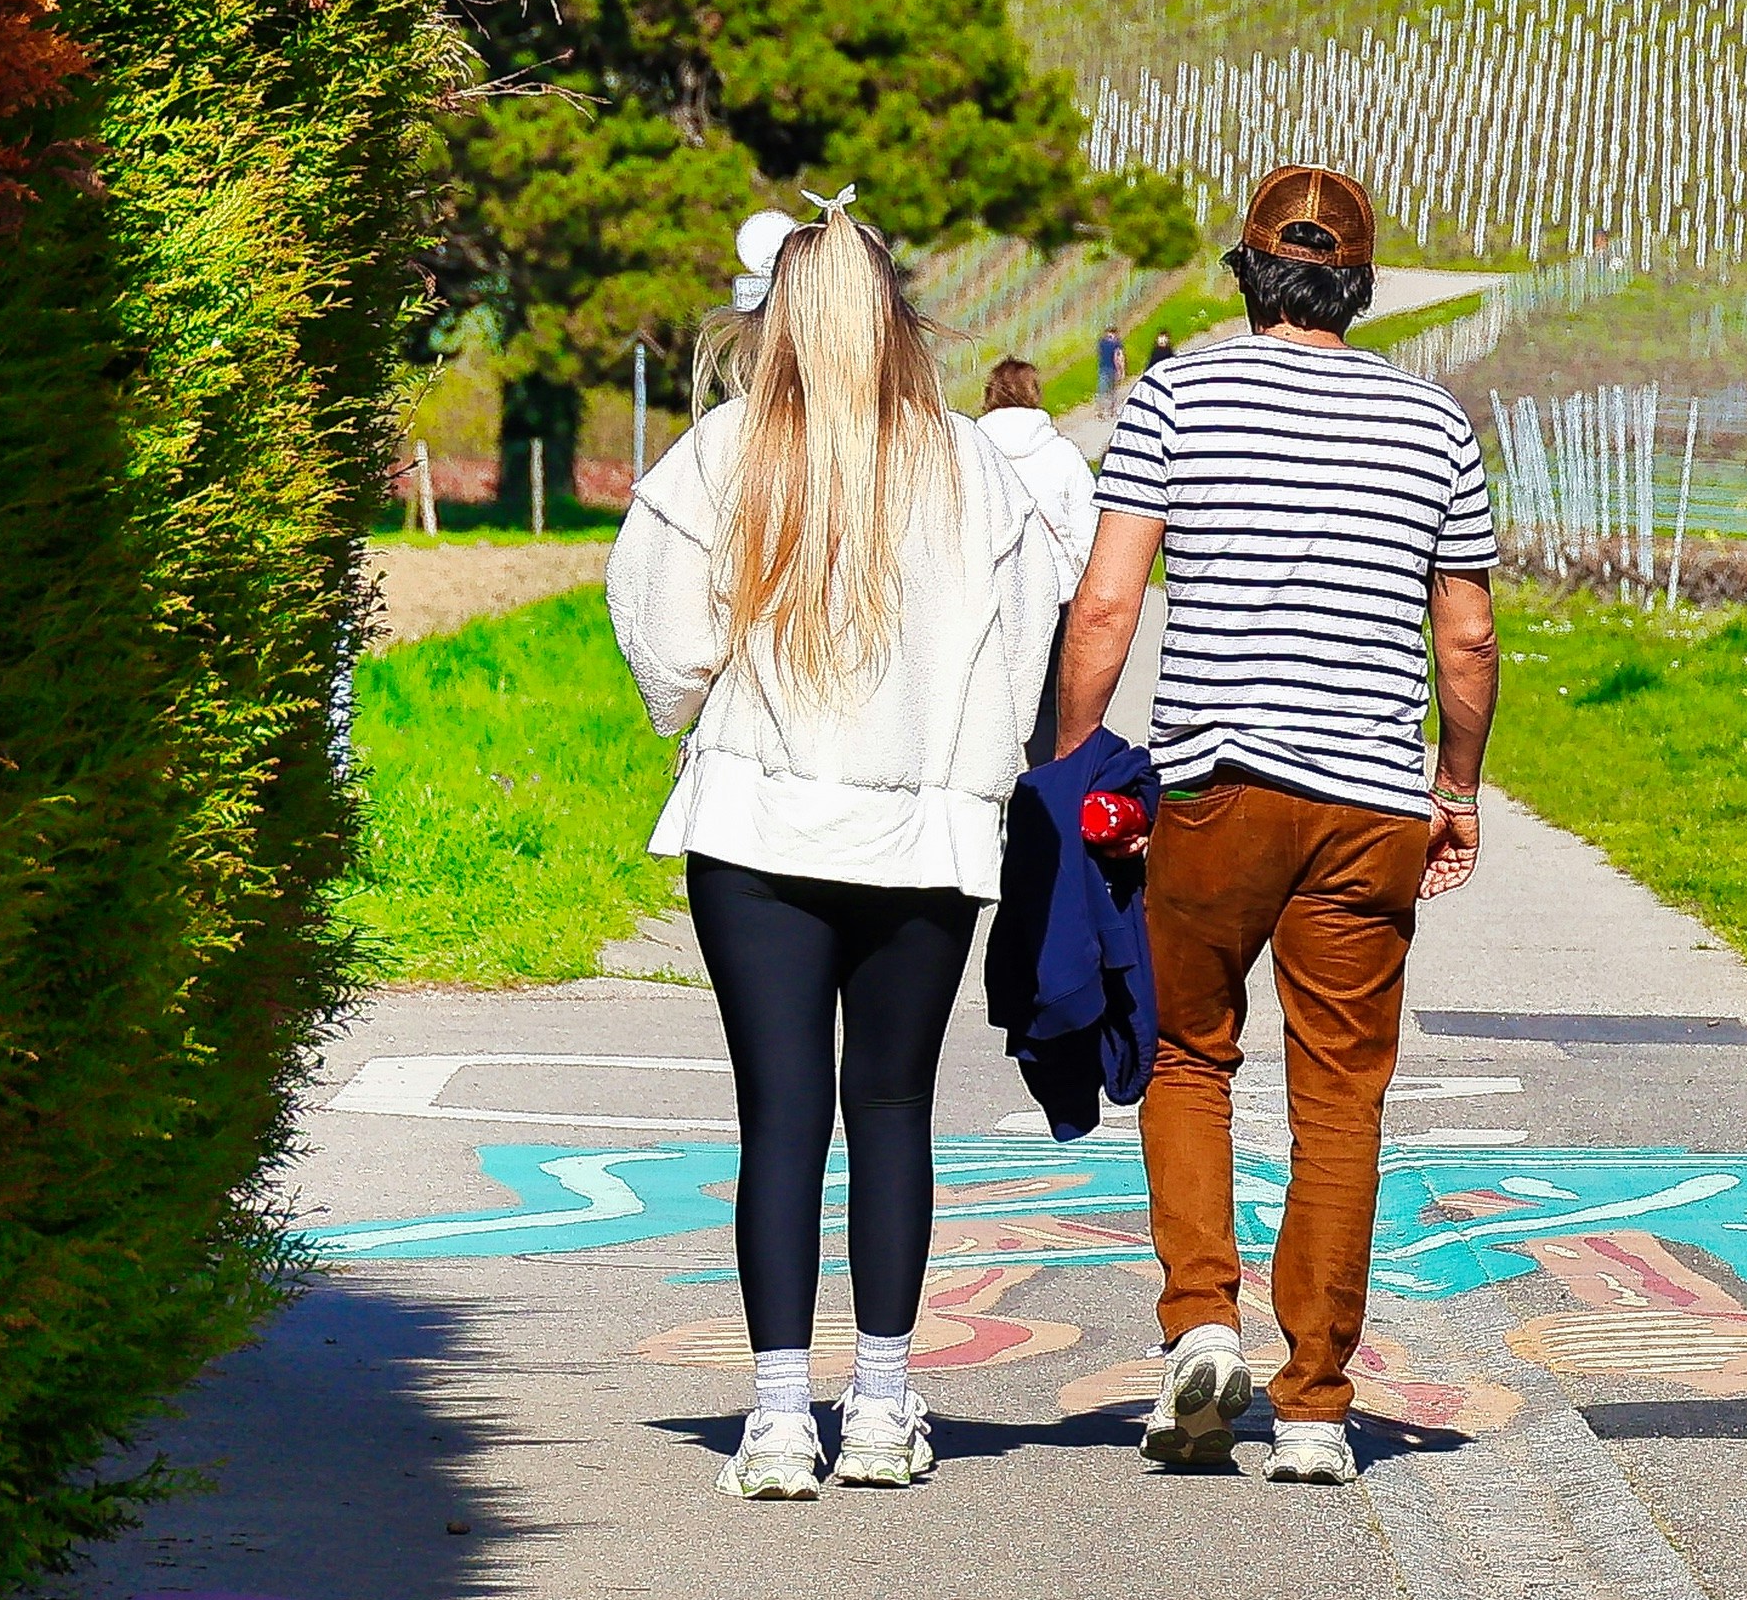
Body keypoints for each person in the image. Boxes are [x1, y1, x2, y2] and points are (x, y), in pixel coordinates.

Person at [610, 204, 1087, 1501]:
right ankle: (879, 1402)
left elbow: (665, 641)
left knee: (779, 1120)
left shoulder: (724, 458)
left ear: (772, 323)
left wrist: (702, 712)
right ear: (901, 324)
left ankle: (775, 1418)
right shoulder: (969, 469)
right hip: (921, 837)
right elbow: (1025, 638)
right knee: (891, 1113)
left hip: (757, 825)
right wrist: (973, 780)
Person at [1045, 164, 1497, 1490]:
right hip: (1366, 808)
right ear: (1358, 286)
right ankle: (1313, 1409)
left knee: (1189, 1055)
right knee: (1341, 1093)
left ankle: (1199, 1326)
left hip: (1210, 793)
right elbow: (1463, 635)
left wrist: (1075, 767)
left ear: (1248, 271)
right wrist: (1454, 791)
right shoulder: (1435, 424)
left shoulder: (1174, 398)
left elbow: (1110, 607)